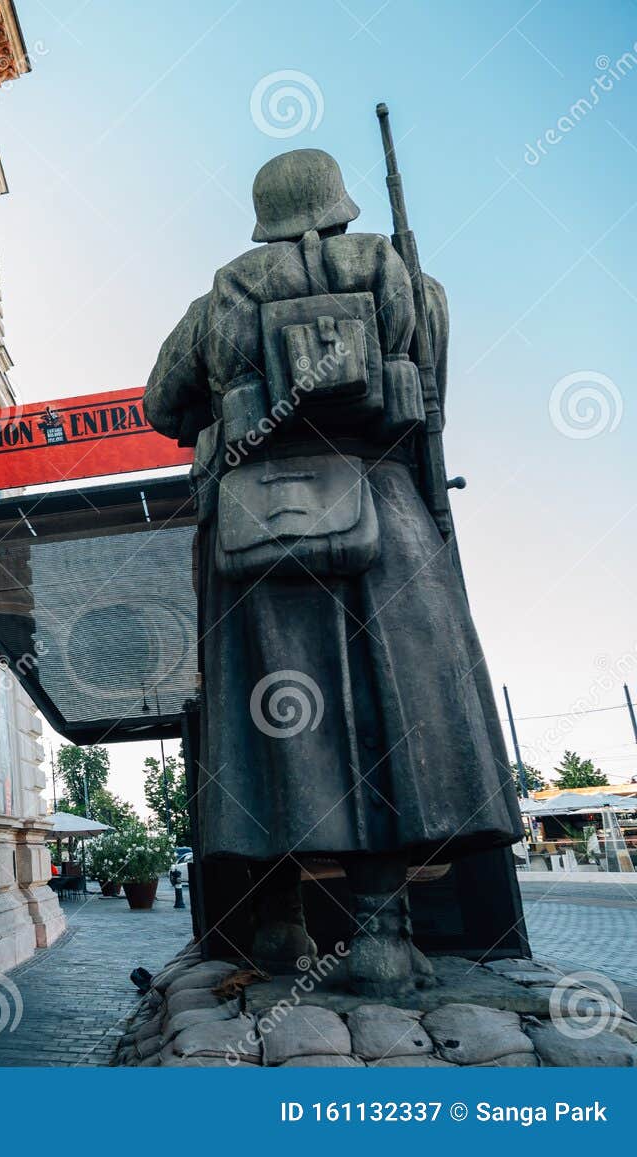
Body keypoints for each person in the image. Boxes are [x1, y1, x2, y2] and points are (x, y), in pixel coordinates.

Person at [144, 149, 521, 996]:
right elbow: (433, 394)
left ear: (266, 215)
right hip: (386, 521)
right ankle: (384, 933)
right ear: (340, 206)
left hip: (262, 530)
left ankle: (281, 922)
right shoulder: (411, 284)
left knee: (271, 727)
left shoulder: (218, 302)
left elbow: (161, 403)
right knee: (394, 717)